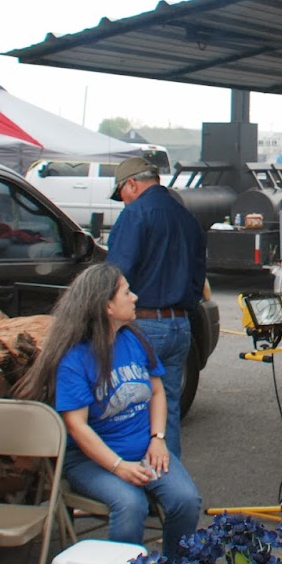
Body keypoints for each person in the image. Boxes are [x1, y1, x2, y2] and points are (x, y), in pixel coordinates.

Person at [14, 263, 202, 547]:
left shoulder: (135, 339)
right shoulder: (74, 359)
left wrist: (158, 439)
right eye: (126, 292)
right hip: (92, 460)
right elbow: (76, 426)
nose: (135, 297)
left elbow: (158, 393)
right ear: (107, 307)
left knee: (186, 500)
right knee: (131, 505)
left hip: (145, 449)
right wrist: (118, 467)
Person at [104, 155, 205, 459]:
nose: (122, 200)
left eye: (121, 192)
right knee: (167, 408)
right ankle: (169, 484)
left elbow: (116, 277)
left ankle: (136, 485)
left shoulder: (135, 214)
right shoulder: (187, 218)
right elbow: (198, 278)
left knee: (129, 409)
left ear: (132, 184)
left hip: (144, 324)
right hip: (181, 325)